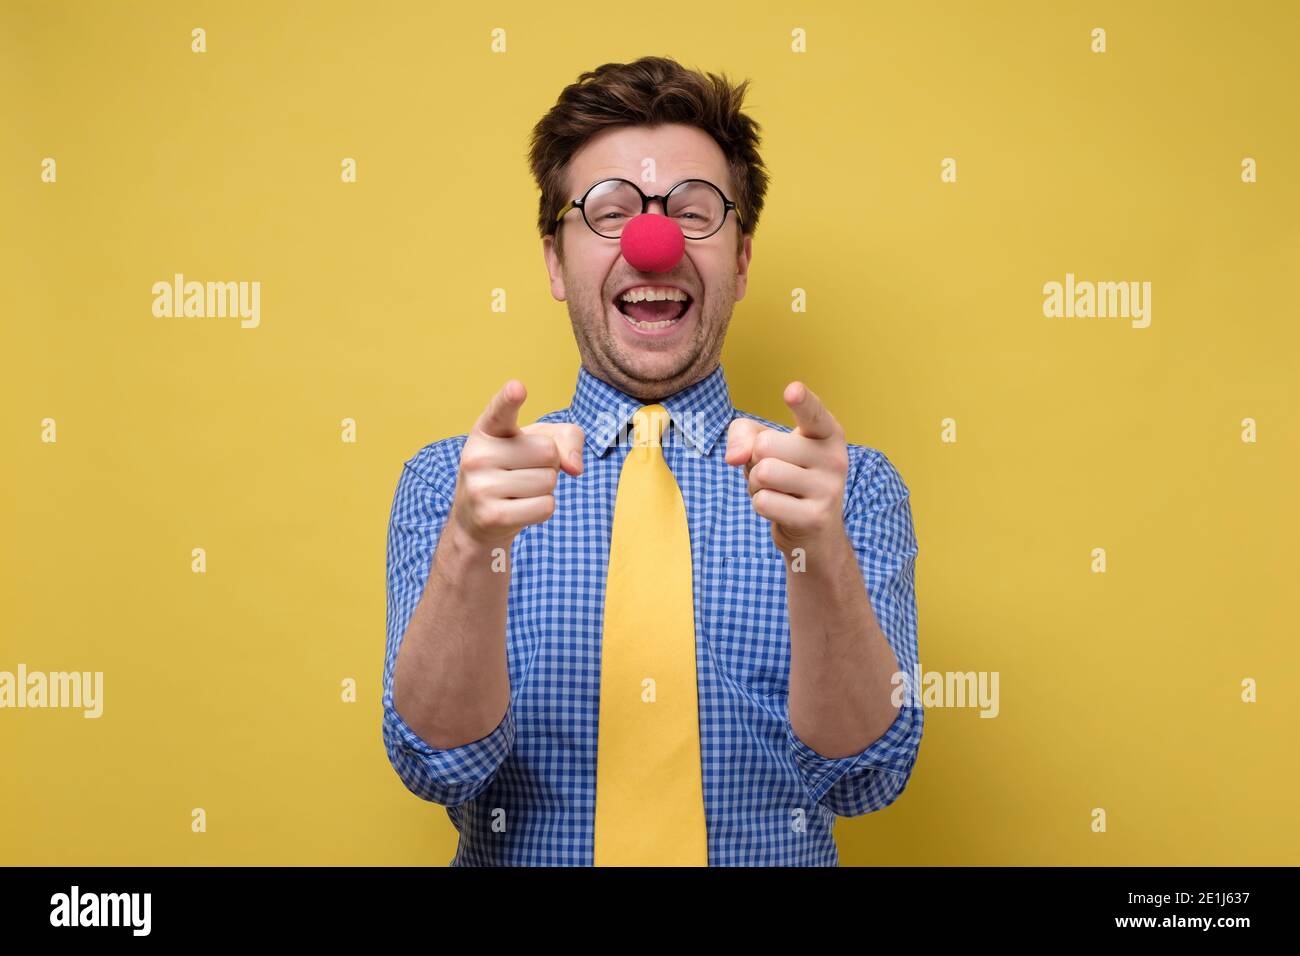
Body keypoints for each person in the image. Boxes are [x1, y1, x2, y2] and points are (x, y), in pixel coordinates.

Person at [382, 56, 922, 866]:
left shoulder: (850, 489)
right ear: (556, 262)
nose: (654, 241)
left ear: (740, 261)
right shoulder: (455, 485)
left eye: (695, 211)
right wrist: (471, 547)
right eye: (609, 210)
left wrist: (821, 557)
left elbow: (863, 776)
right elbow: (439, 766)